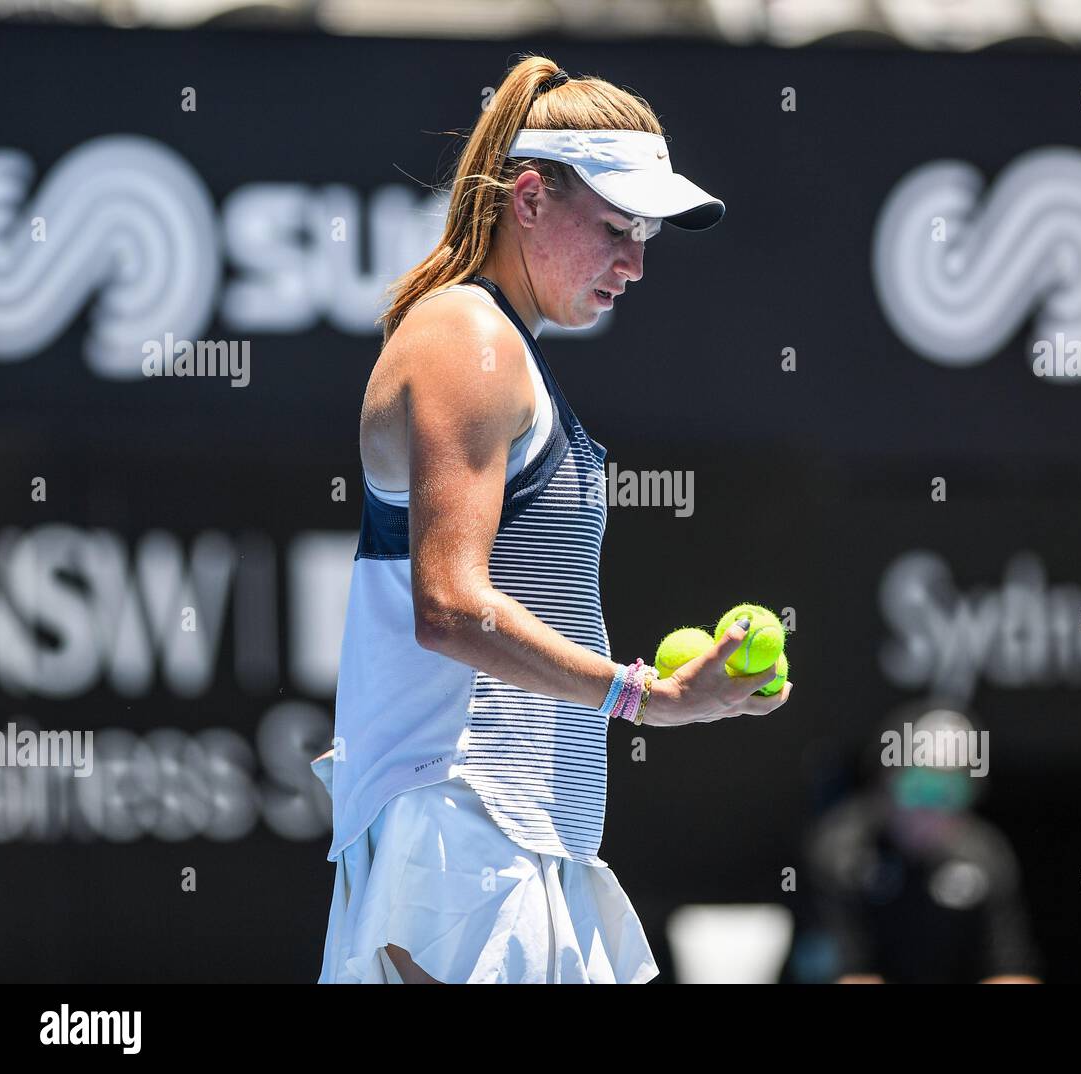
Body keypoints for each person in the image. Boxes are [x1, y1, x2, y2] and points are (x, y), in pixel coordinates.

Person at [311, 54, 793, 984]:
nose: (637, 264)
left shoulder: (502, 349)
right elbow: (449, 605)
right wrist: (645, 696)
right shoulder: (467, 335)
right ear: (528, 198)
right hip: (460, 830)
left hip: (515, 834)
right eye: (616, 228)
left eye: (647, 234)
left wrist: (670, 689)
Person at [804, 705, 1041, 984]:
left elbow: (1010, 970)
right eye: (920, 786)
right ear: (886, 782)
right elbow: (848, 974)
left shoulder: (985, 854)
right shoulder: (840, 849)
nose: (932, 810)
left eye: (949, 791)